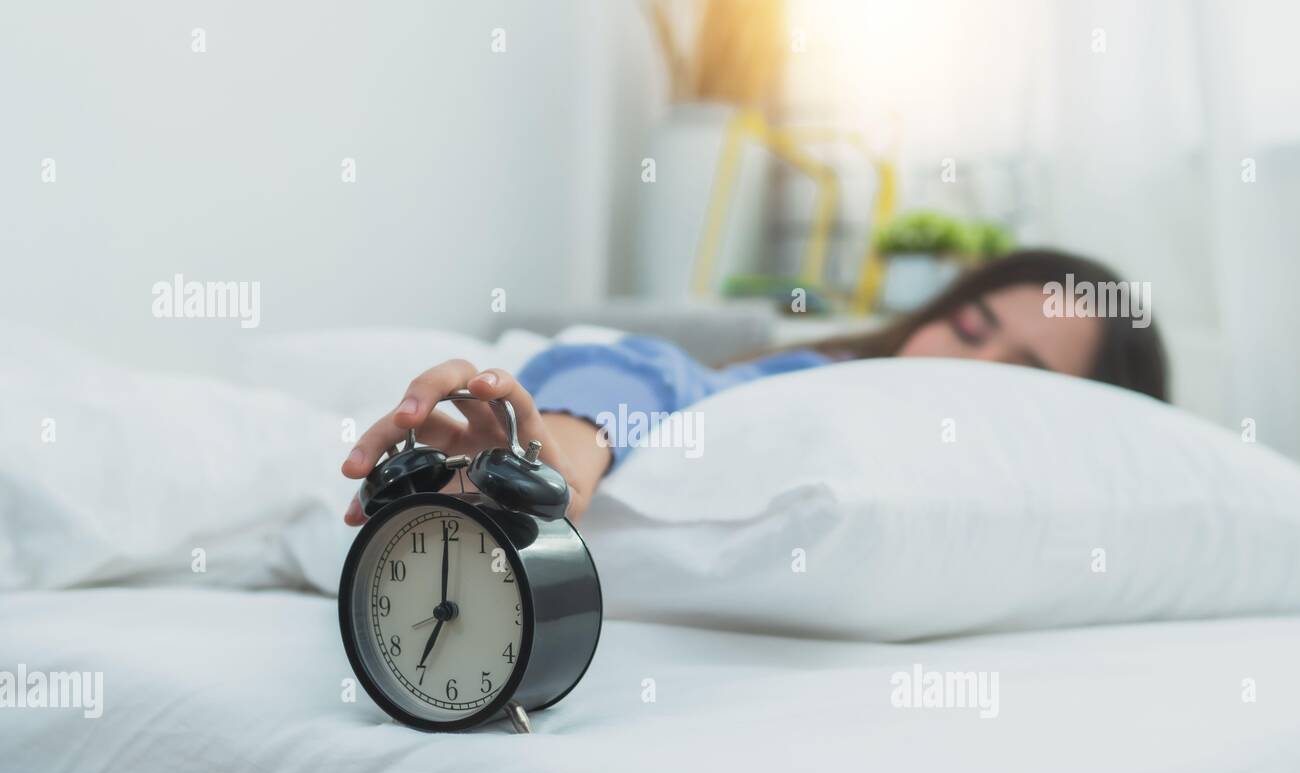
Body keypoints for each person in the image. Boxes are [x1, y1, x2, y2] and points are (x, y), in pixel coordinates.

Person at [341, 249, 1168, 523]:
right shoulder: (826, 377)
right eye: (970, 328)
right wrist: (559, 450)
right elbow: (662, 374)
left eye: (1025, 373)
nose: (969, 367)